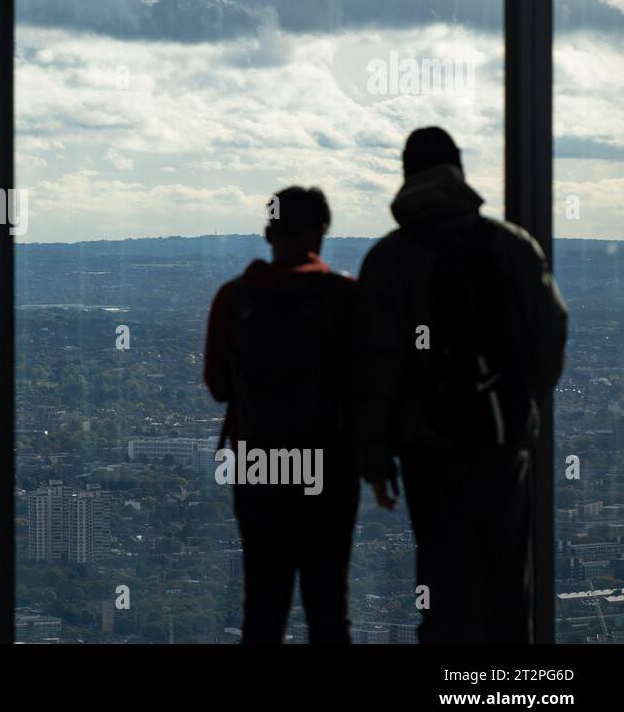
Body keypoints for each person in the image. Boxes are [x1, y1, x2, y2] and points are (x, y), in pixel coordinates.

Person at [357, 127, 567, 643]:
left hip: (430, 449)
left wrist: (377, 456)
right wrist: (516, 404)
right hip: (502, 442)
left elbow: (374, 370)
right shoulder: (511, 245)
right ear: (460, 172)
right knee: (508, 597)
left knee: (446, 595)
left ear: (407, 176)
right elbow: (550, 336)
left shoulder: (389, 261)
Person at [204, 186, 359, 643]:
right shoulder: (345, 296)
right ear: (321, 232)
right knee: (328, 606)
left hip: (260, 462)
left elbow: (217, 387)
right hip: (329, 463)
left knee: (264, 605)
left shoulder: (234, 298)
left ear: (269, 232)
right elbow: (365, 387)